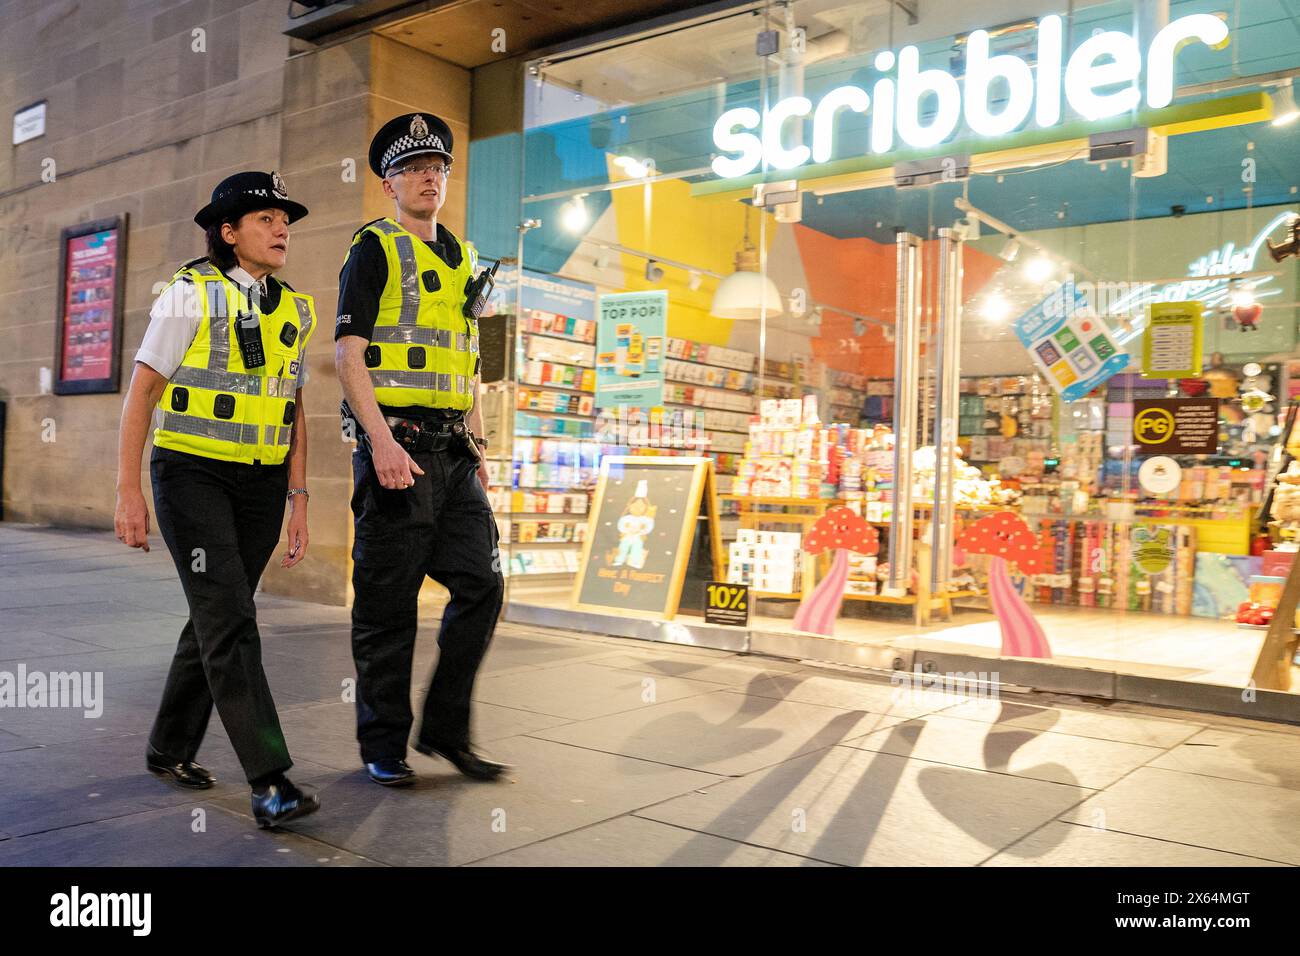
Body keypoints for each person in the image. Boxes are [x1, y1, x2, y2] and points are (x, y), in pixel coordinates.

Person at [114, 171, 321, 828]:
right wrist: (129, 490)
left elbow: (294, 411)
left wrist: (299, 498)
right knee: (230, 618)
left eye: (284, 218)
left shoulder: (294, 309)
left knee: (218, 612)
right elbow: (142, 392)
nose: (281, 226)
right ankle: (271, 780)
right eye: (265, 218)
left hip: (260, 485)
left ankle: (169, 747)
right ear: (229, 233)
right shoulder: (188, 294)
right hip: (192, 477)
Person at [335, 112, 506, 787]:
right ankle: (383, 743)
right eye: (411, 169)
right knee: (388, 603)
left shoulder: (464, 257)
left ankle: (445, 730)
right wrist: (378, 442)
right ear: (389, 184)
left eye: (435, 168)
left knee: (483, 585)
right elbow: (348, 355)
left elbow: (474, 363)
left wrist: (482, 443)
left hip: (455, 455)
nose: (426, 177)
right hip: (395, 449)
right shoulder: (372, 249)